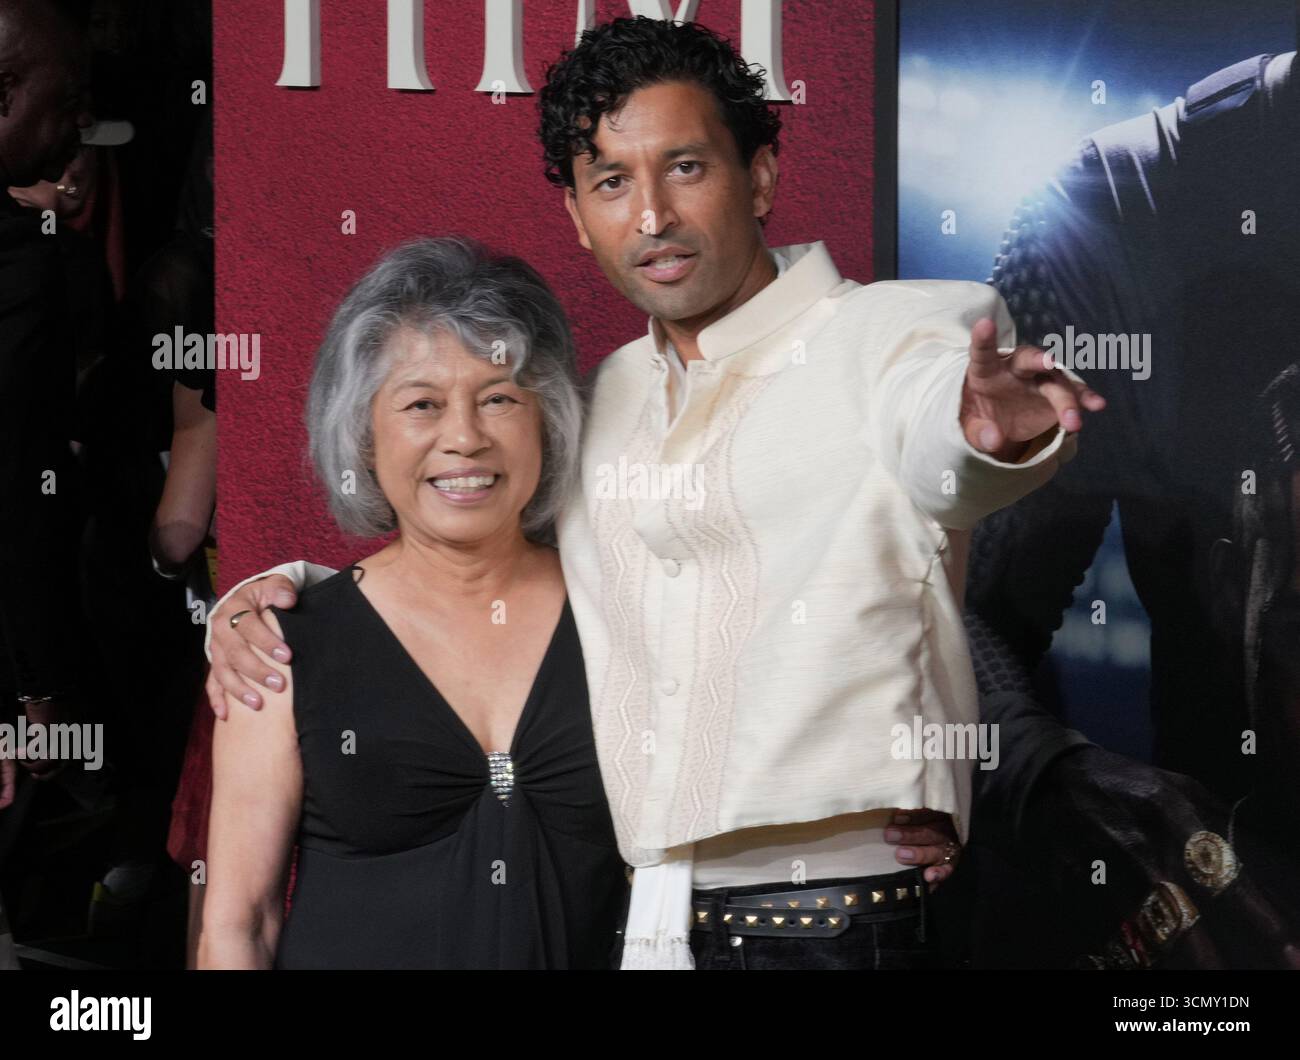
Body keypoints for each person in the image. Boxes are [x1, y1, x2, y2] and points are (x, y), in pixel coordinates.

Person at [206, 17, 1102, 970]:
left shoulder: (900, 336)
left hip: (834, 921)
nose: (651, 218)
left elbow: (941, 447)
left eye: (685, 168)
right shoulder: (607, 402)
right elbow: (468, 519)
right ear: (577, 215)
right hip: (646, 927)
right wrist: (282, 594)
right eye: (612, 183)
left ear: (759, 175)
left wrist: (988, 434)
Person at [198, 238, 627, 969]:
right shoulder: (279, 646)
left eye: (498, 398)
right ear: (364, 436)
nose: (464, 438)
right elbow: (241, 924)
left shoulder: (624, 612)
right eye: (423, 404)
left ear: (547, 422)